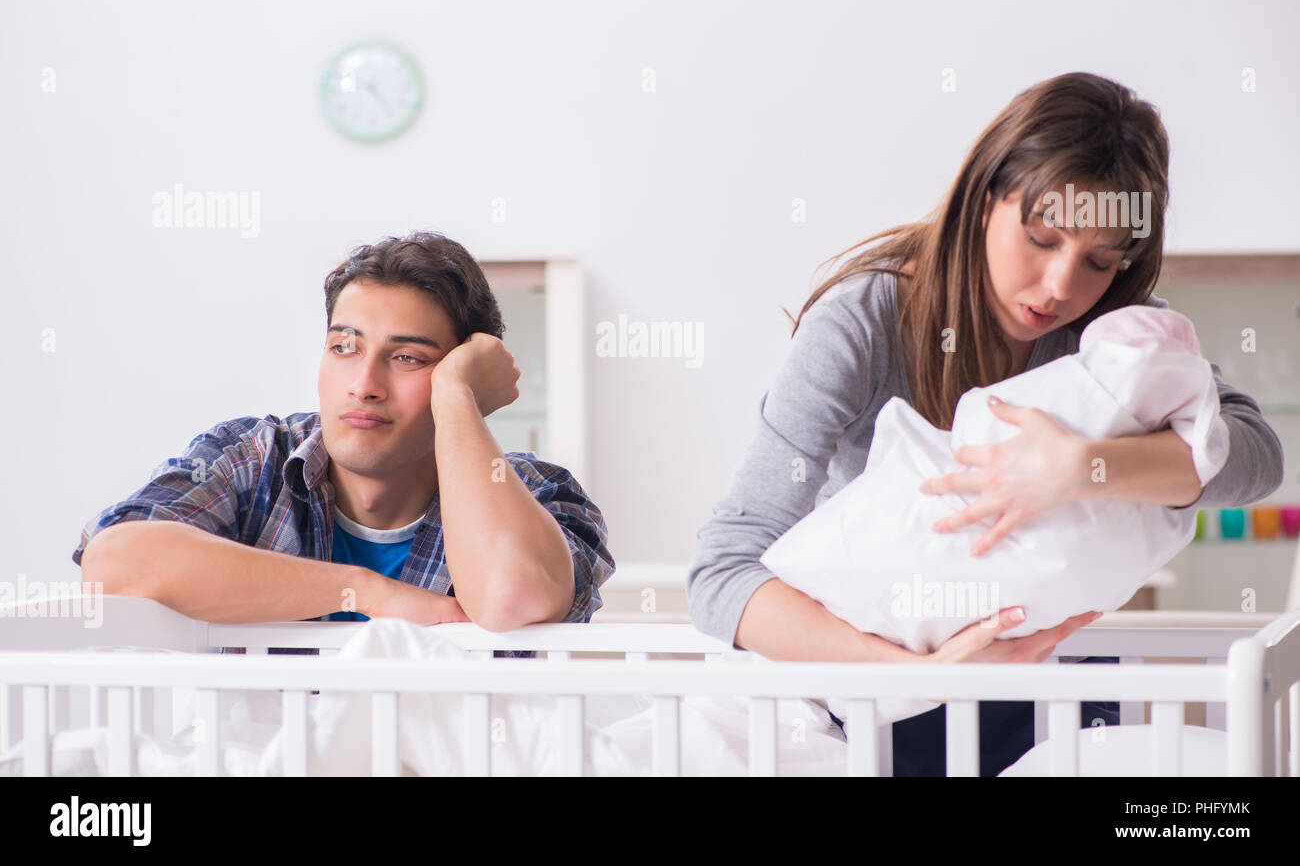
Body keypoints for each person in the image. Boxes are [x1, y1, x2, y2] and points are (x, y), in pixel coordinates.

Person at [686, 71, 1285, 775]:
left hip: (1052, 680)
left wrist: (1081, 468)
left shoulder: (1108, 331)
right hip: (884, 694)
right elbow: (720, 574)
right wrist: (926, 672)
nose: (1062, 285)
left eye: (1098, 260)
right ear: (982, 200)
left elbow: (1257, 455)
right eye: (1041, 238)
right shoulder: (864, 324)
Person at [75, 231, 614, 637]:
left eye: (408, 357)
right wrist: (368, 591)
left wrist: (455, 396)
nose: (365, 385)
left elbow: (509, 599)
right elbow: (113, 566)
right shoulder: (252, 459)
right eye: (344, 347)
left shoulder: (539, 495)